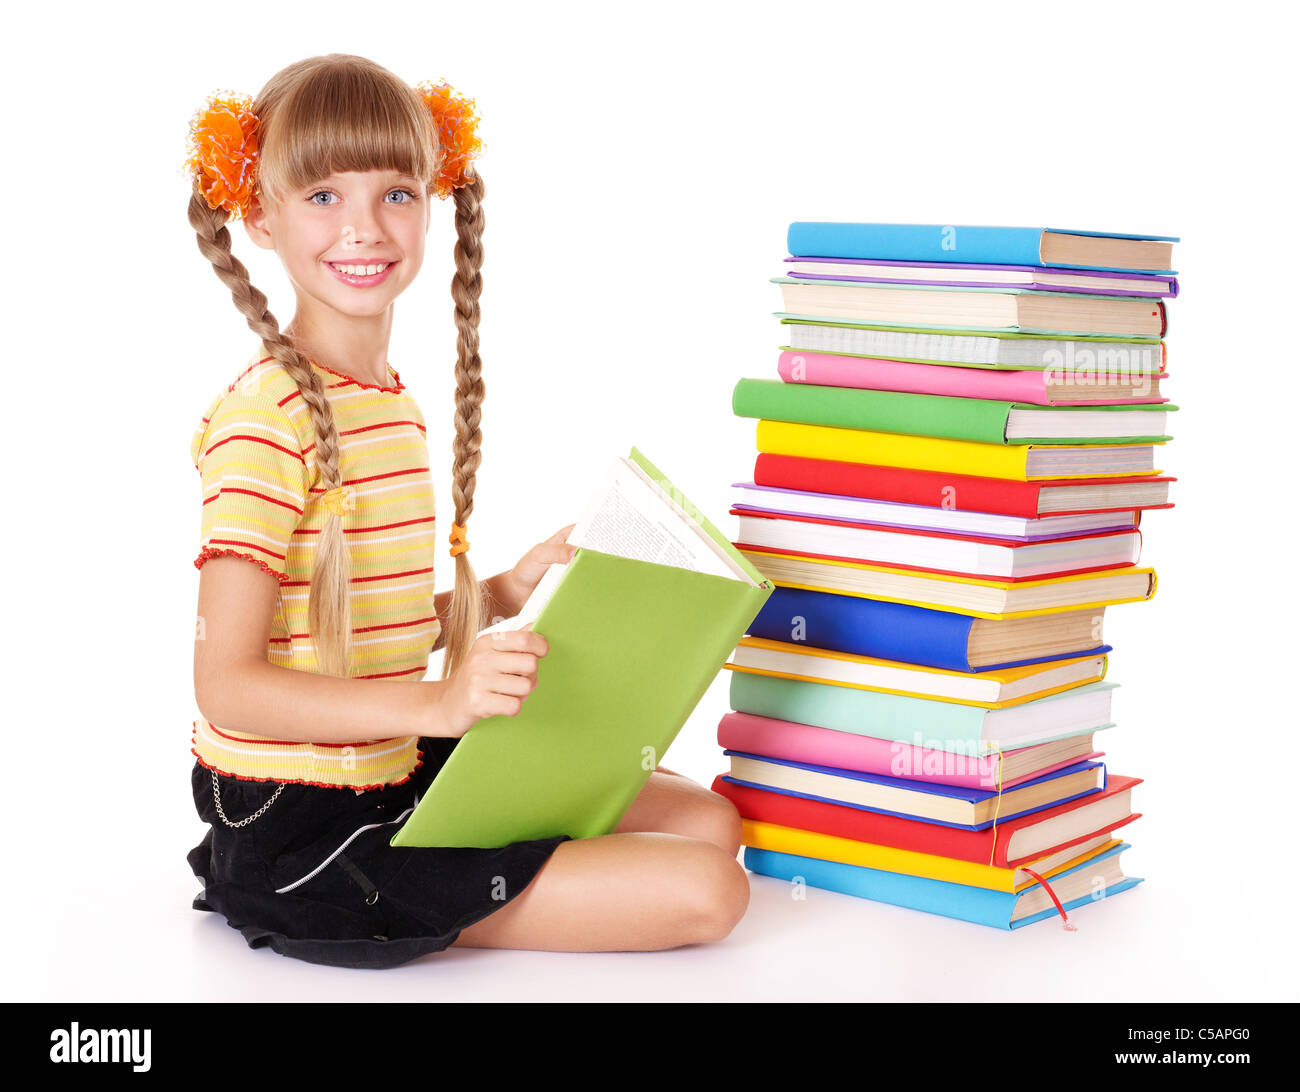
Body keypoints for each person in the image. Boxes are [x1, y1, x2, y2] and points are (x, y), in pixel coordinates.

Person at [184, 53, 747, 969]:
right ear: (258, 214)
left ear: (432, 202)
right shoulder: (263, 421)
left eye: (396, 192)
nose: (364, 227)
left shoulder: (386, 404)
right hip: (302, 832)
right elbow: (228, 685)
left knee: (710, 823)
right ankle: (475, 881)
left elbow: (371, 634)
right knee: (708, 887)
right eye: (322, 195)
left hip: (398, 766)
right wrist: (445, 702)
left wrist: (503, 592)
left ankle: (510, 860)